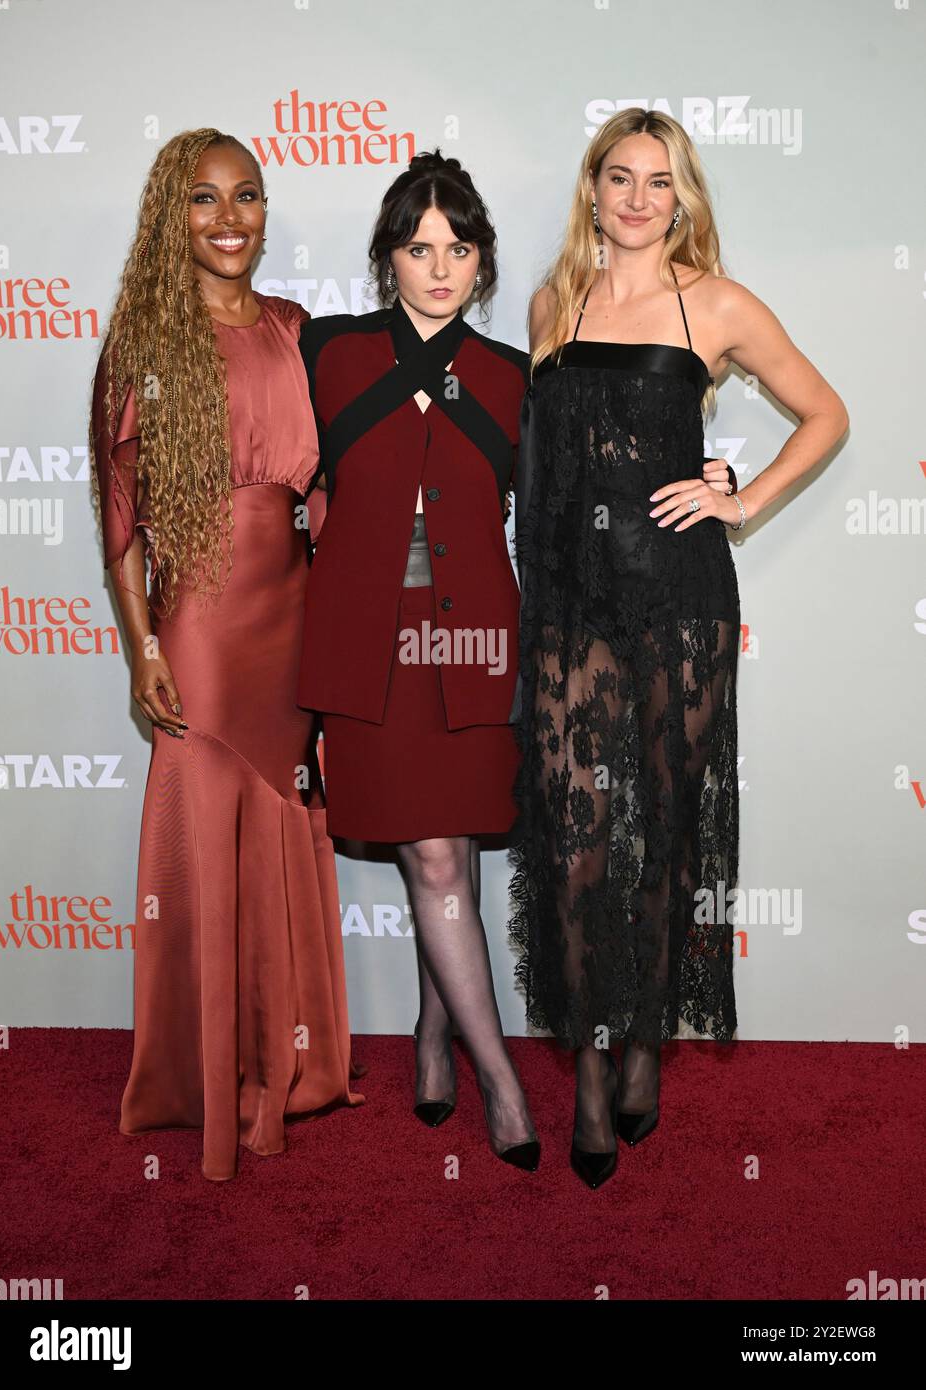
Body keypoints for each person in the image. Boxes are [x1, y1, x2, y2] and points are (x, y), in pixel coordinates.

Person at [507, 108, 849, 1189]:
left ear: (683, 196)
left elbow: (825, 413)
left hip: (678, 600)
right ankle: (592, 1073)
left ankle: (645, 1038)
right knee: (574, 850)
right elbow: (546, 466)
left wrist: (739, 500)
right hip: (571, 606)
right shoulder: (552, 301)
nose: (638, 198)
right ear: (592, 188)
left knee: (661, 834)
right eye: (620, 177)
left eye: (660, 181)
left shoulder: (717, 302)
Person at [90, 127, 364, 1182]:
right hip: (199, 626)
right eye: (203, 201)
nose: (229, 219)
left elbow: (330, 492)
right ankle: (199, 1081)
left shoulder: (297, 329)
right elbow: (118, 521)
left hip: (292, 618)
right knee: (203, 840)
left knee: (290, 833)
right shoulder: (138, 346)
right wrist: (140, 648)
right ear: (173, 216)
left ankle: (291, 1069)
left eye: (245, 197)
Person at [297, 150, 539, 1170]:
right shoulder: (327, 354)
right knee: (438, 856)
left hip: (477, 646)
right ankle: (502, 1080)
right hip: (369, 654)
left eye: (458, 248)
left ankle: (436, 1032)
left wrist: (714, 476)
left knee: (459, 853)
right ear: (386, 258)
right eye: (417, 247)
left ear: (481, 262)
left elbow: (569, 502)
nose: (438, 267)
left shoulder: (514, 378)